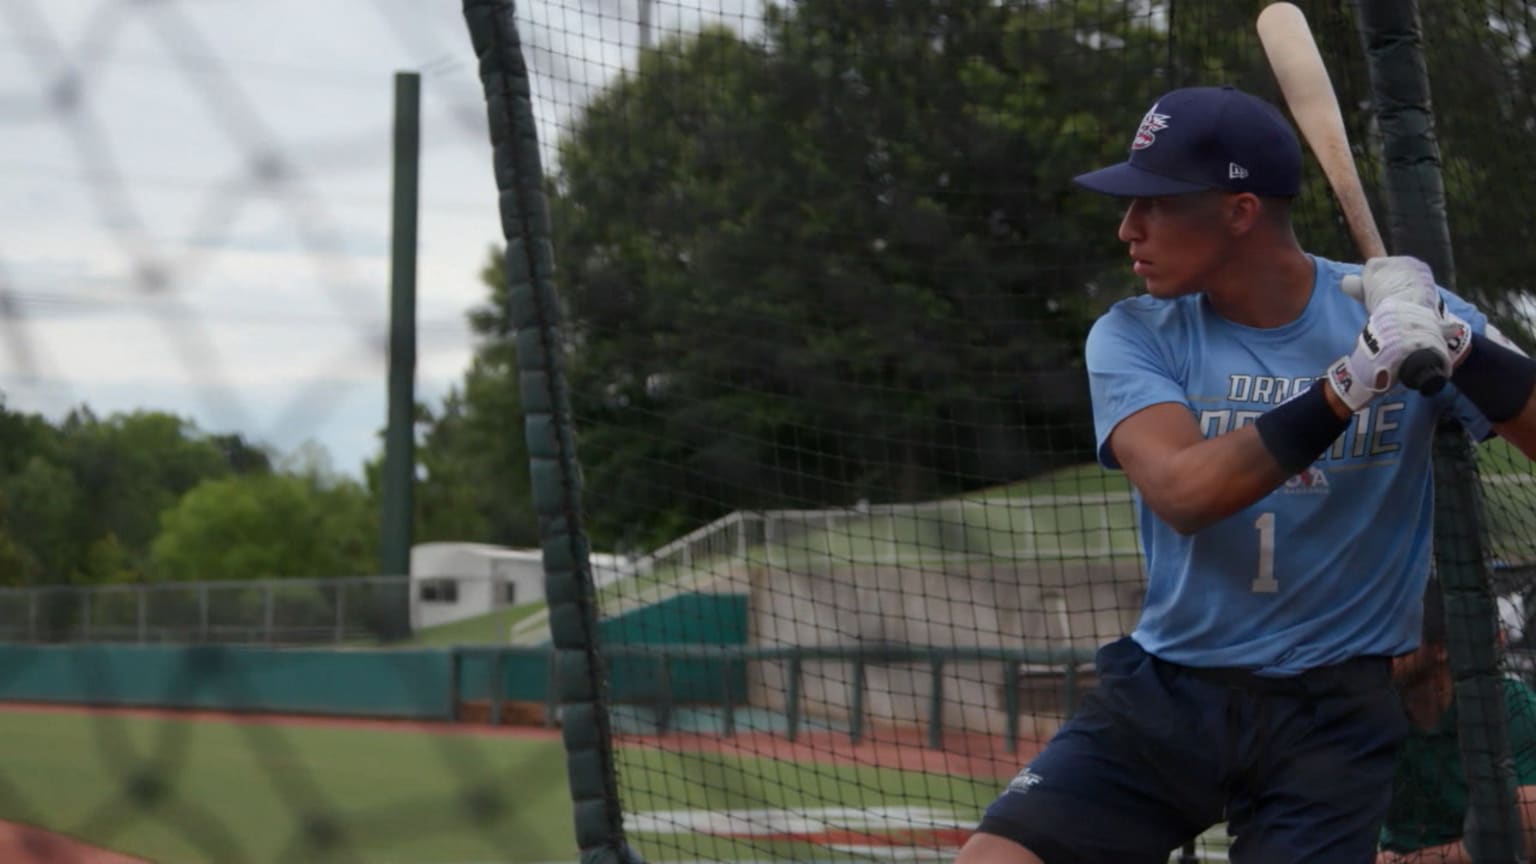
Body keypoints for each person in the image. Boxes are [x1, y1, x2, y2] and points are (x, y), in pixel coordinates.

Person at [954, 83, 1536, 864]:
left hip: (1333, 714)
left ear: (1239, 211)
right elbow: (1185, 492)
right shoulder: (1135, 333)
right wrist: (1349, 384)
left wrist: (1461, 343)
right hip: (1172, 691)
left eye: (1156, 204)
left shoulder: (1402, 316)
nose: (1129, 228)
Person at [1377, 581, 1536, 863]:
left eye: (1396, 634)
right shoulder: (1372, 712)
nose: (1379, 647)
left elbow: (1528, 837)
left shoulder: (1508, 706)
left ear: (1440, 649)